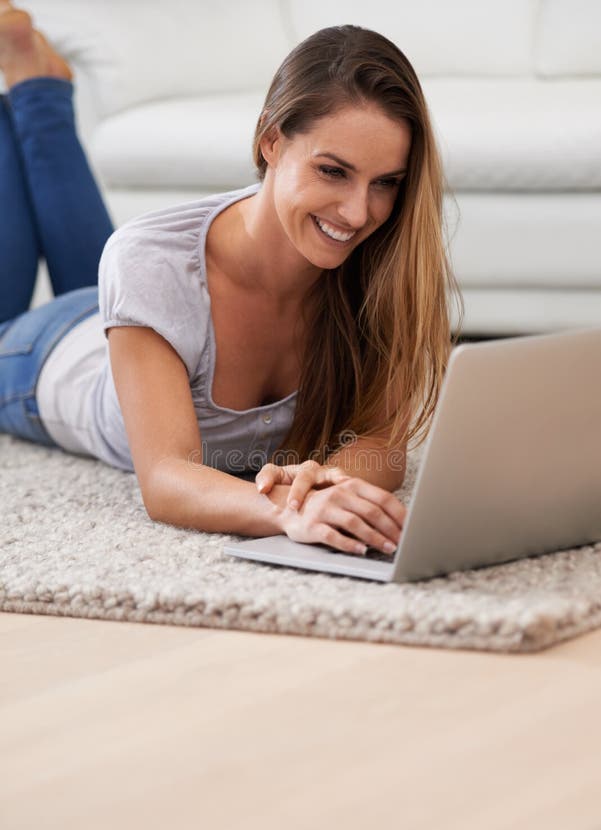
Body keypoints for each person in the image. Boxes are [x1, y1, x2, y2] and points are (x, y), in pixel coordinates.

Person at [0, 3, 462, 559]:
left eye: (385, 182)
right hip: (42, 354)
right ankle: (30, 87)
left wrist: (324, 486)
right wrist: (290, 512)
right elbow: (167, 477)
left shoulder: (389, 262)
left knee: (110, 265)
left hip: (135, 315)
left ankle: (36, 83)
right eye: (332, 171)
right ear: (271, 139)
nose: (359, 213)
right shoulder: (151, 261)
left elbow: (381, 448)